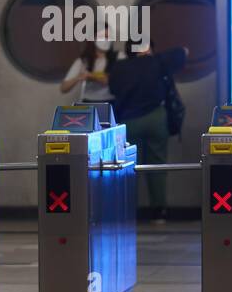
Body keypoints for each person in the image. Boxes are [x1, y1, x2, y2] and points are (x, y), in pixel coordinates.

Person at [108, 40, 188, 223]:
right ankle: (159, 212)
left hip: (128, 121)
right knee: (157, 166)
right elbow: (182, 51)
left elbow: (113, 89)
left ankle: (127, 212)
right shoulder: (157, 61)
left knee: (126, 167)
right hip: (156, 118)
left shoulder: (118, 68)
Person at [60, 34, 121, 105]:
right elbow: (63, 88)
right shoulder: (83, 61)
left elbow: (114, 81)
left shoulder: (118, 57)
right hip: (89, 102)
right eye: (103, 36)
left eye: (108, 36)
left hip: (111, 102)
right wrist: (78, 78)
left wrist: (92, 76)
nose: (106, 39)